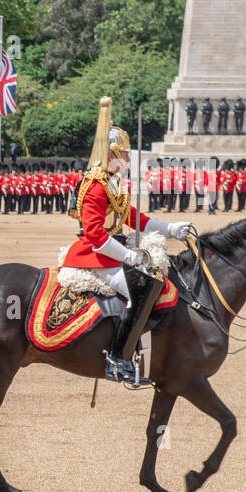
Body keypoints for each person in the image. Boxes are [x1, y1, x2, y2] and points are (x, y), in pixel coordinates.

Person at [58, 96, 190, 387]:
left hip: (112, 249)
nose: (128, 159)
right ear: (110, 154)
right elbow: (95, 235)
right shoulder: (95, 185)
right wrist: (129, 257)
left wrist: (172, 228)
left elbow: (134, 219)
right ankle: (117, 360)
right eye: (123, 154)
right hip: (94, 254)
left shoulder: (111, 183)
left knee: (156, 279)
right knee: (141, 287)